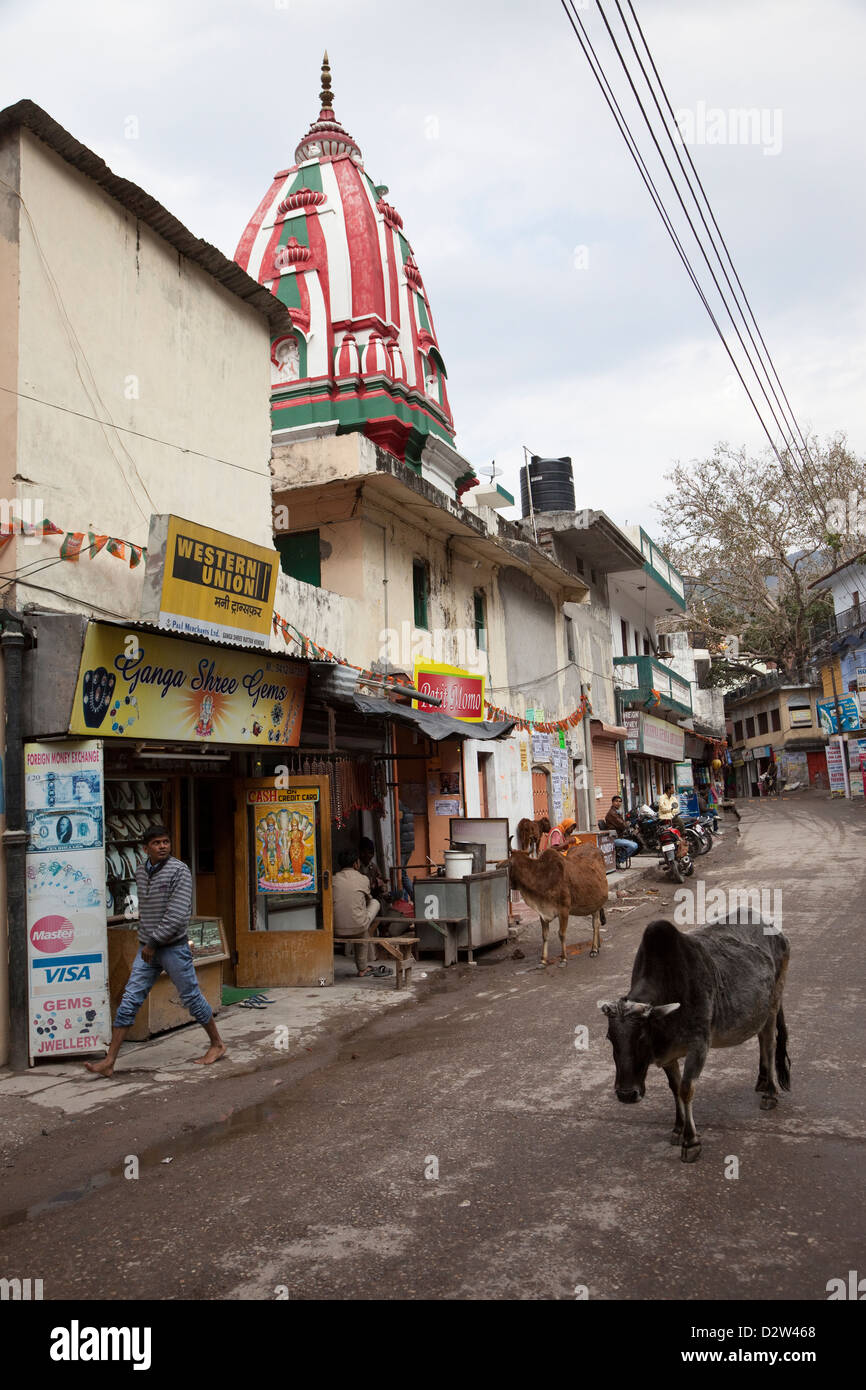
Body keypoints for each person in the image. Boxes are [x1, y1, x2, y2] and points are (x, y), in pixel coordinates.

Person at [85, 825, 226, 1075]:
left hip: (172, 947)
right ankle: (110, 1061)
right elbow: (145, 911)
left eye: (165, 842)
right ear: (146, 848)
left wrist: (153, 943)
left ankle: (217, 1044)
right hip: (147, 948)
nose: (162, 846)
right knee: (130, 999)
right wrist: (147, 943)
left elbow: (178, 915)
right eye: (157, 843)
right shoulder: (141, 871)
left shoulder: (179, 871)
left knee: (191, 997)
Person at [332, 849, 391, 978]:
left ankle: (363, 967)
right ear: (355, 864)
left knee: (355, 915)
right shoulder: (363, 879)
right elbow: (368, 899)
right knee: (374, 904)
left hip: (334, 928)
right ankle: (363, 968)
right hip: (358, 927)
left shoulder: (333, 880)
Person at [602, 795, 640, 869]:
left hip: (619, 835)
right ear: (612, 802)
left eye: (620, 802)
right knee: (634, 846)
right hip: (614, 838)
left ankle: (620, 858)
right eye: (616, 801)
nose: (618, 803)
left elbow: (622, 824)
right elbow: (622, 825)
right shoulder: (612, 814)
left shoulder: (616, 812)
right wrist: (628, 824)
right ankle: (619, 860)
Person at [359, 836, 388, 902]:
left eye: (372, 853)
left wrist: (382, 886)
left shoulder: (373, 867)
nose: (371, 856)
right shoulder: (356, 867)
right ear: (362, 853)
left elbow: (380, 880)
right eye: (369, 853)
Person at [398, 806, 415, 901]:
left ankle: (414, 895)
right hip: (408, 847)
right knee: (403, 872)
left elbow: (398, 829)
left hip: (403, 847)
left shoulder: (399, 810)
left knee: (402, 873)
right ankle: (405, 898)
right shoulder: (407, 809)